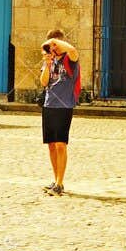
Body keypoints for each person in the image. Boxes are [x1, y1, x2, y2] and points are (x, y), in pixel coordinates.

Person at [39, 28, 80, 196]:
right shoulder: (49, 61)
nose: (53, 49)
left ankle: (60, 183)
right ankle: (55, 179)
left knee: (60, 144)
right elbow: (43, 82)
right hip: (49, 105)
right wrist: (48, 64)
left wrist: (56, 43)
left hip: (64, 105)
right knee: (51, 146)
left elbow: (73, 50)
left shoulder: (70, 59)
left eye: (55, 45)